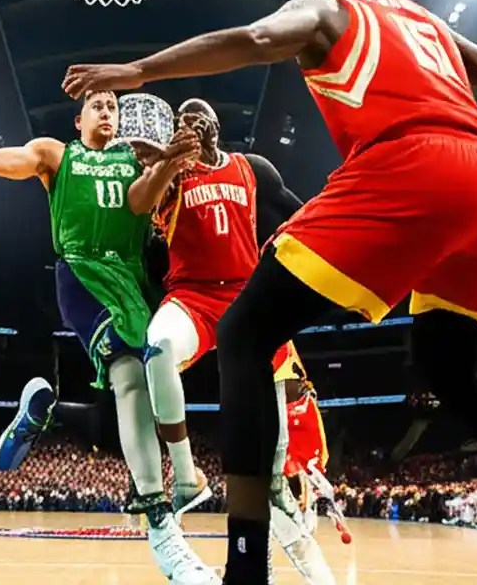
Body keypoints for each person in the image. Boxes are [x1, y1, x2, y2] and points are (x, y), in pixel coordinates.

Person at [61, 0, 477, 585]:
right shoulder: (428, 25)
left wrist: (140, 70)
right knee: (450, 370)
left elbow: (254, 41)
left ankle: (245, 568)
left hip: (413, 168)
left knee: (243, 330)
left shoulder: (329, 9)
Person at [0, 91, 219, 585]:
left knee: (147, 375)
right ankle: (160, 519)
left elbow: (148, 203)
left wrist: (171, 161)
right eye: (98, 105)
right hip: (82, 272)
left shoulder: (134, 158)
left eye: (113, 107)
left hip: (132, 278)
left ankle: (52, 418)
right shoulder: (55, 154)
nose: (107, 111)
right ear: (78, 119)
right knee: (129, 379)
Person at [135, 97, 333, 582]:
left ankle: (320, 576)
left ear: (217, 127)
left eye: (196, 118)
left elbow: (297, 211)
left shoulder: (252, 168)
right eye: (180, 121)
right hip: (193, 298)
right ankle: (185, 478)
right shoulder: (172, 175)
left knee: (274, 484)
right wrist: (164, 161)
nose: (188, 125)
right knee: (157, 347)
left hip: (249, 302)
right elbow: (139, 205)